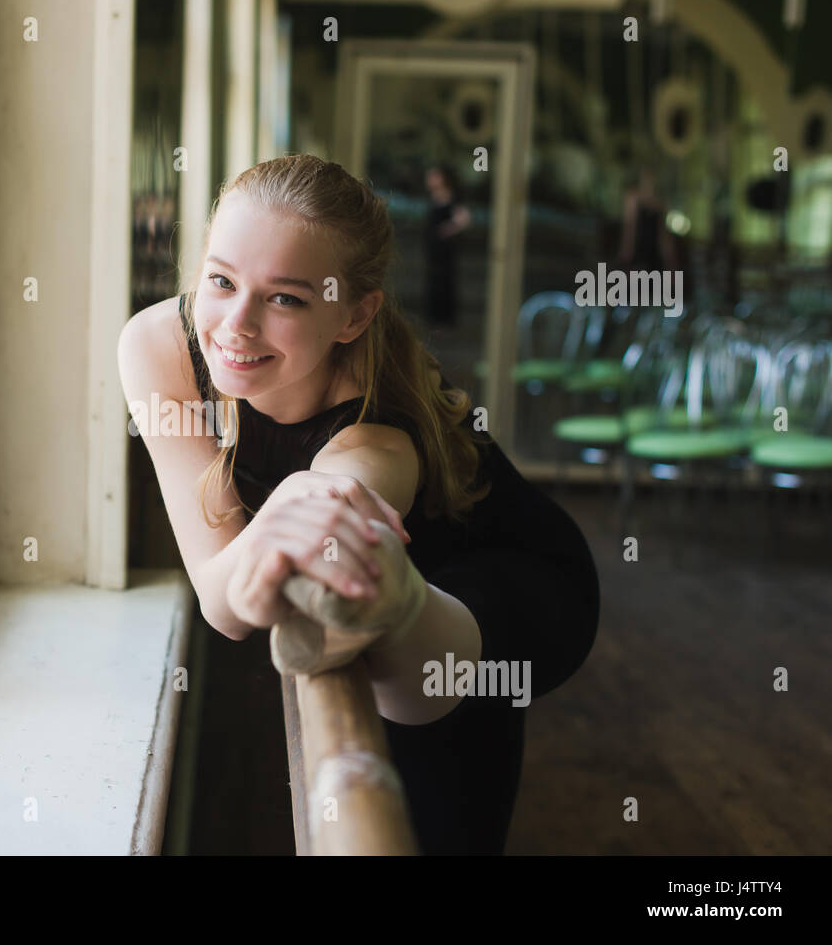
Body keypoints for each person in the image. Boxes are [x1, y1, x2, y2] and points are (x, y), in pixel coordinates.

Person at [117, 154, 599, 854]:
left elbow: (341, 506)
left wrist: (308, 521)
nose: (236, 324)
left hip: (504, 573)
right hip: (398, 566)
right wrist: (280, 527)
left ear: (355, 314)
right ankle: (390, 598)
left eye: (285, 298)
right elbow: (223, 603)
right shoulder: (159, 345)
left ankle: (400, 598)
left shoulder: (377, 432)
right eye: (221, 279)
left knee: (420, 736)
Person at [423, 164, 471, 328]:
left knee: (444, 281)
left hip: (446, 248)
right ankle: (434, 317)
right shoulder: (432, 197)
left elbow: (464, 218)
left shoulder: (452, 197)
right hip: (433, 247)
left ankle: (445, 319)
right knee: (434, 280)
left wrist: (449, 229)